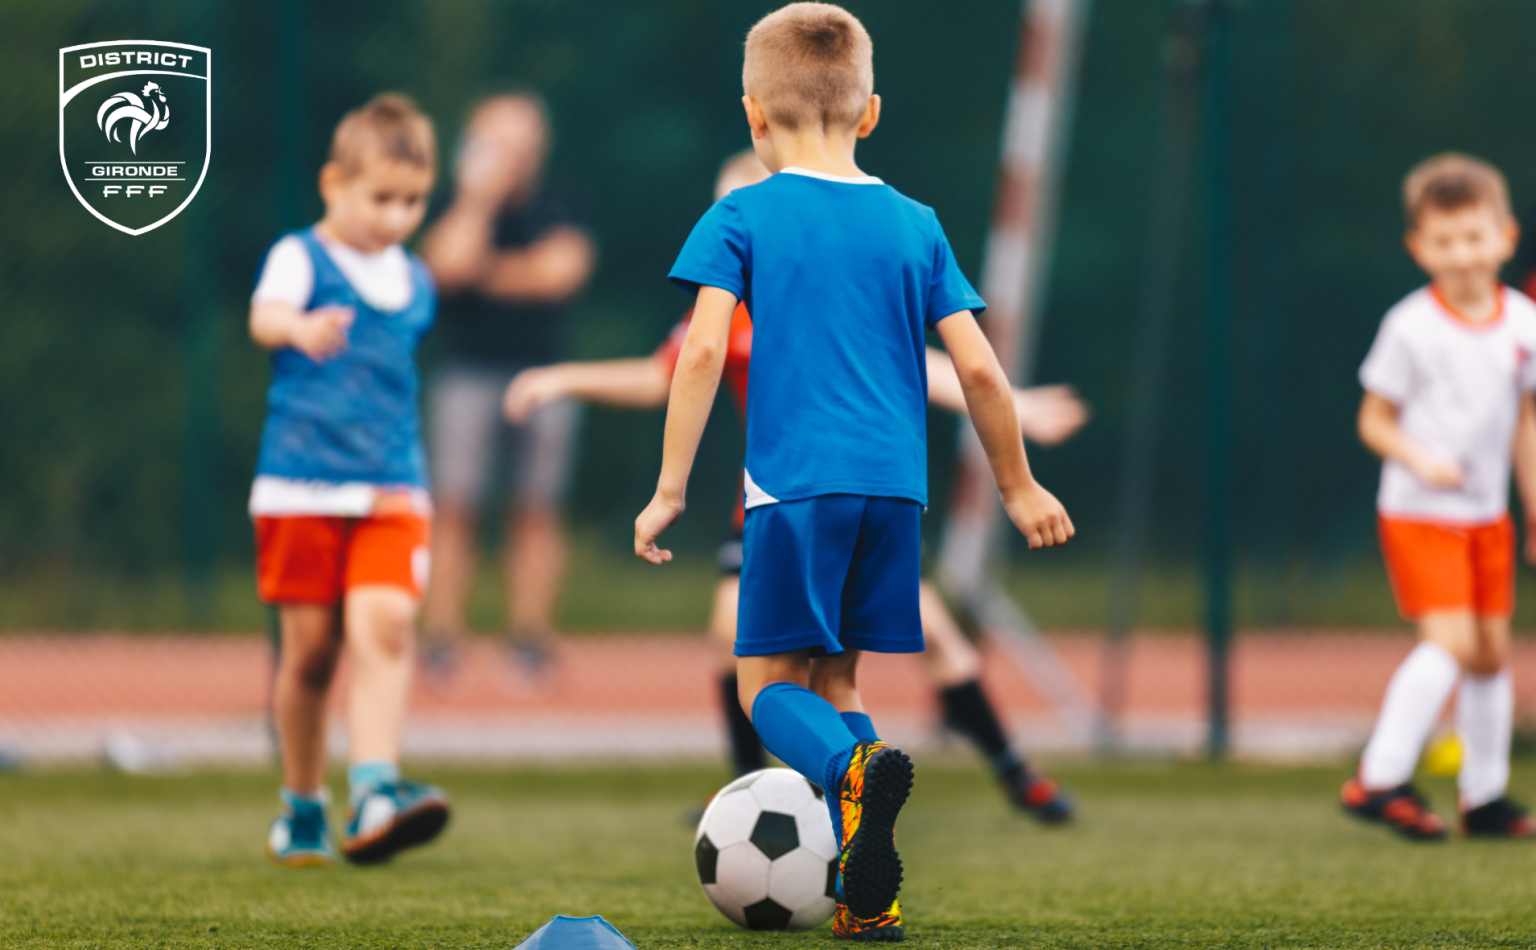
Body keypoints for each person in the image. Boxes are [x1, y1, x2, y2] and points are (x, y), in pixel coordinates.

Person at [633, 5, 1074, 940]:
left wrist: (670, 489)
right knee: (838, 684)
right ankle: (870, 901)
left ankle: (854, 772)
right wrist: (1018, 485)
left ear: (754, 115)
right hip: (894, 491)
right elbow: (981, 371)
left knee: (766, 692)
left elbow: (703, 353)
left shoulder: (741, 212)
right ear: (870, 112)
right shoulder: (916, 223)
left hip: (795, 487)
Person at [510, 151, 1083, 822]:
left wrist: (1019, 409)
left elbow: (934, 367)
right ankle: (763, 788)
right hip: (861, 493)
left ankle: (1005, 769)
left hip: (803, 497)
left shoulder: (807, 284)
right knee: (797, 662)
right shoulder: (737, 304)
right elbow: (664, 372)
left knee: (881, 652)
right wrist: (562, 378)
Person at [249, 93, 449, 867]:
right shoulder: (300, 257)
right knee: (310, 658)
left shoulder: (417, 279)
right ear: (334, 183)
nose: (398, 216)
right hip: (300, 488)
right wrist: (296, 326)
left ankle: (375, 790)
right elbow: (264, 317)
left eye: (414, 201)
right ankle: (303, 805)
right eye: (382, 198)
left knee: (386, 628)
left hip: (393, 488)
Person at [1341, 153, 1536, 841]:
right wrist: (1421, 457)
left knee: (1488, 653)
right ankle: (1378, 778)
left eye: (1474, 237)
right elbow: (1373, 421)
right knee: (1448, 643)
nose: (1461, 254)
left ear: (1505, 238)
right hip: (1420, 512)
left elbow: (1527, 423)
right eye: (1444, 241)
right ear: (1418, 247)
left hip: (1487, 516)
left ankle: (1483, 797)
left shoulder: (1523, 323)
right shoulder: (1411, 326)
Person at [418, 93, 595, 672]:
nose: (516, 155)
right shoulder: (453, 205)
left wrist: (485, 272)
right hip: (465, 374)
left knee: (537, 508)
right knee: (455, 506)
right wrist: (478, 201)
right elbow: (444, 269)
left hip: (544, 376)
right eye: (501, 143)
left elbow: (558, 275)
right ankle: (442, 637)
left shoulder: (562, 202)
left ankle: (529, 638)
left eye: (525, 142)